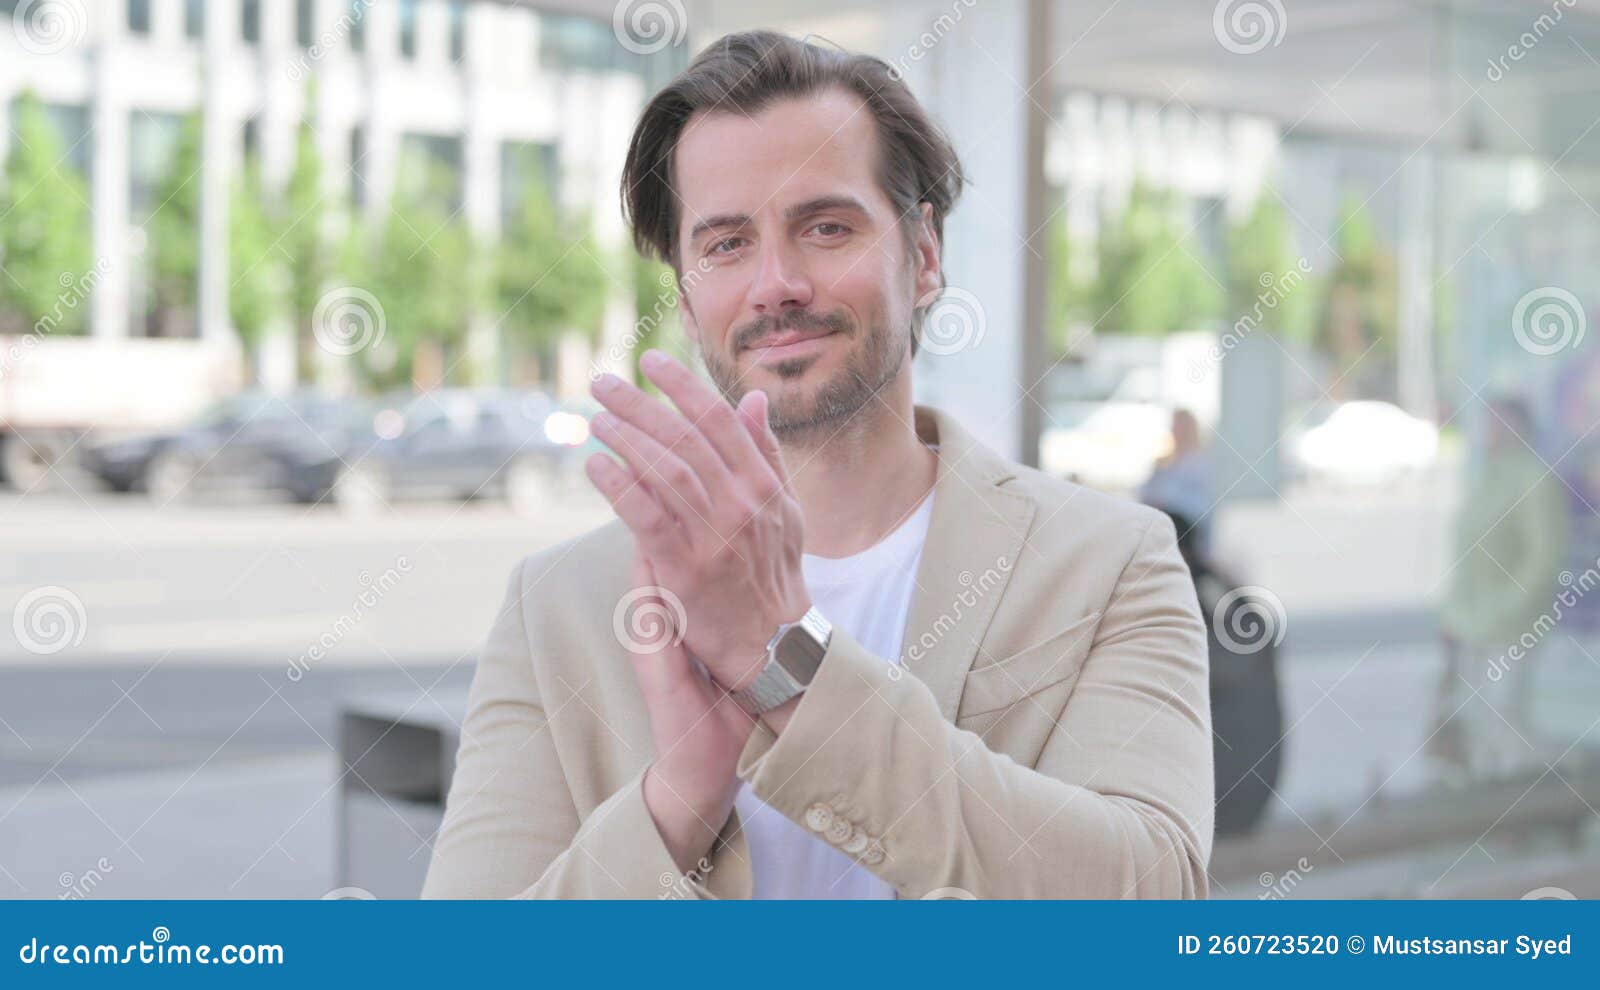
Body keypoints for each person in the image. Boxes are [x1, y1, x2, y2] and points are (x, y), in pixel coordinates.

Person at [422, 30, 1212, 900]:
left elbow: (1152, 902)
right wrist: (675, 802)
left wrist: (788, 663)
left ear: (925, 256)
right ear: (686, 300)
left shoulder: (1110, 563)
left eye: (826, 227)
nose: (776, 284)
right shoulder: (559, 607)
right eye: (725, 244)